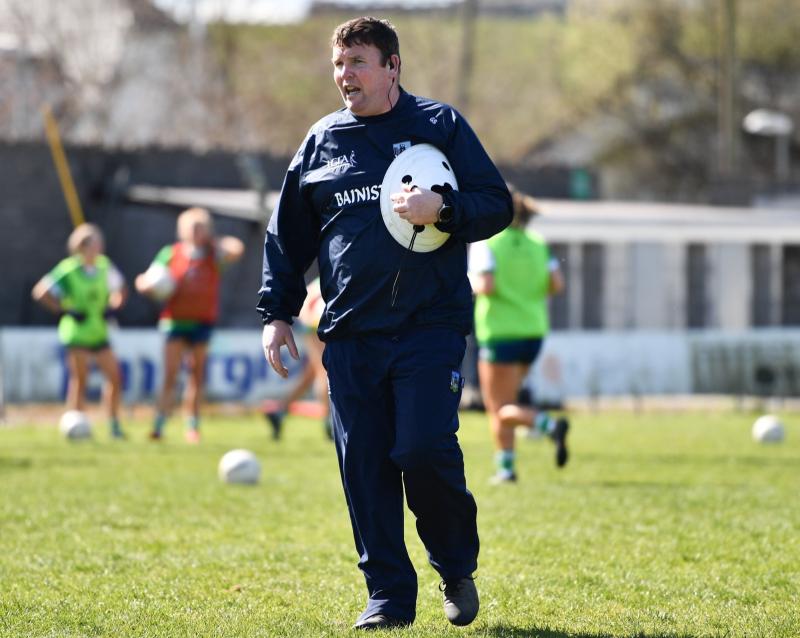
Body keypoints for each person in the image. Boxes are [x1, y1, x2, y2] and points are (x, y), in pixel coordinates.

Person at [258, 17, 512, 630]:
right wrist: (276, 312)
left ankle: (454, 567)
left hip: (429, 326)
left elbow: (496, 203)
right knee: (365, 468)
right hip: (349, 336)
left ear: (393, 66)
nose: (347, 76)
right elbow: (287, 234)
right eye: (340, 65)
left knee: (423, 448)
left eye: (360, 63)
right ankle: (389, 598)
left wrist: (443, 209)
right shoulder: (322, 141)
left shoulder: (439, 126)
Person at [468, 186, 569, 484]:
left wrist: (464, 283)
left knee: (498, 407)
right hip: (533, 332)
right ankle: (508, 467)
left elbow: (485, 285)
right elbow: (557, 284)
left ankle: (546, 426)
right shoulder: (538, 243)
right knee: (509, 402)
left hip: (500, 332)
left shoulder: (488, 243)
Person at [136, 207, 244, 443]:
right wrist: (146, 285)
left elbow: (237, 248)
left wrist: (214, 241)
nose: (196, 232)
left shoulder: (213, 254)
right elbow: (145, 279)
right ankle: (159, 423)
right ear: (182, 230)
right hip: (174, 321)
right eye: (192, 227)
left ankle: (192, 426)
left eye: (201, 227)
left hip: (202, 321)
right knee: (171, 375)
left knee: (196, 375)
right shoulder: (171, 253)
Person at [32, 223, 128, 439]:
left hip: (99, 332)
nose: (98, 248)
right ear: (82, 247)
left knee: (115, 378)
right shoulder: (69, 269)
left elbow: (121, 290)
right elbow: (41, 292)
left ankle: (113, 425)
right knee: (80, 380)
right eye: (94, 243)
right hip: (77, 334)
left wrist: (113, 306)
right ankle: (75, 426)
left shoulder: (104, 266)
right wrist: (65, 310)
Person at [263, 276, 332, 441]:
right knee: (325, 370)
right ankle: (330, 420)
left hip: (313, 313)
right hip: (318, 316)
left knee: (315, 370)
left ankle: (279, 411)